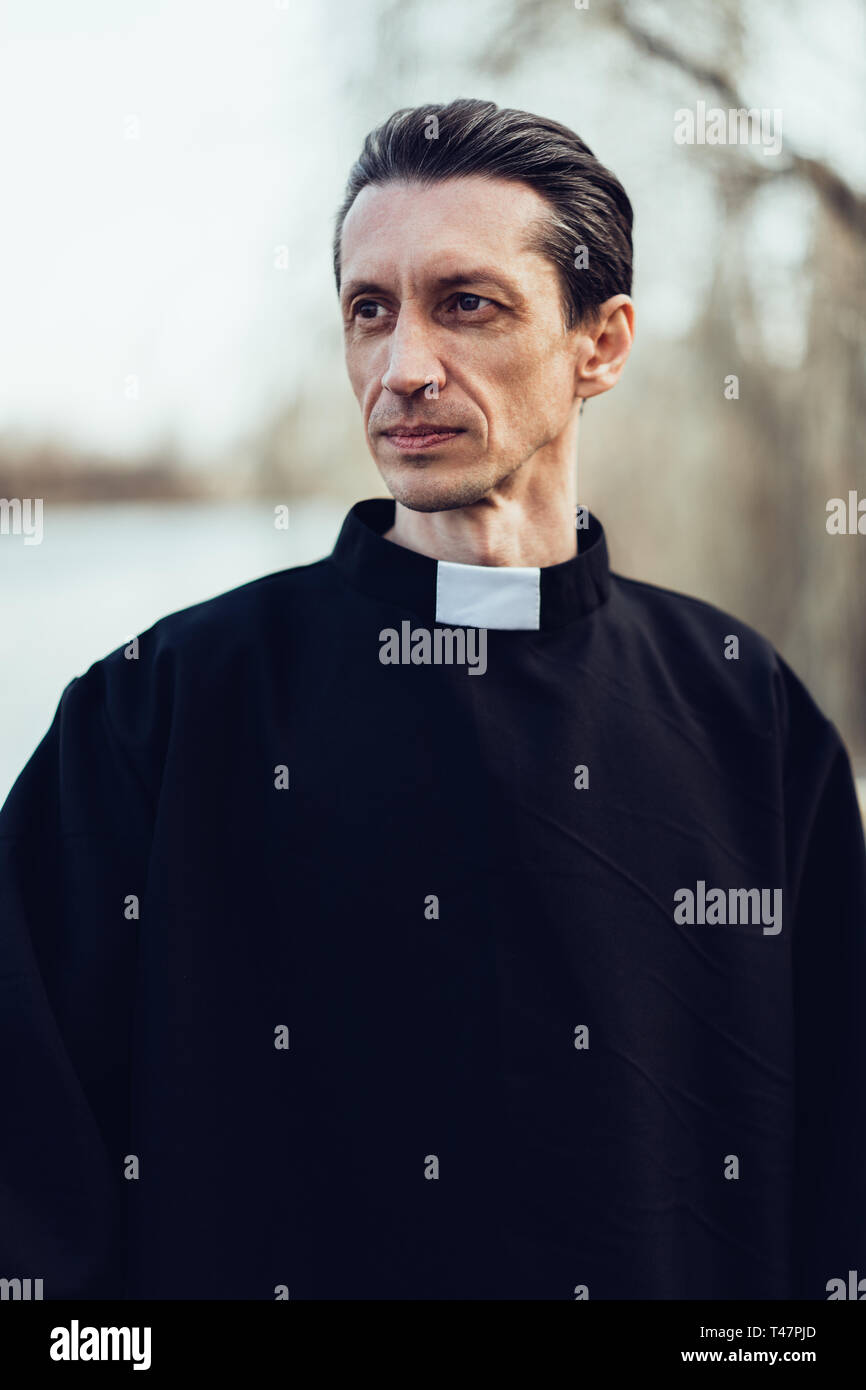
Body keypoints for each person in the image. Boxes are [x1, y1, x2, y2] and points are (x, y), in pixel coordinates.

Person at [1, 98, 864, 1301]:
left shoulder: (746, 716)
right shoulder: (159, 710)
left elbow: (839, 1156)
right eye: (371, 310)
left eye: (466, 303)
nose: (404, 368)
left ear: (599, 344)